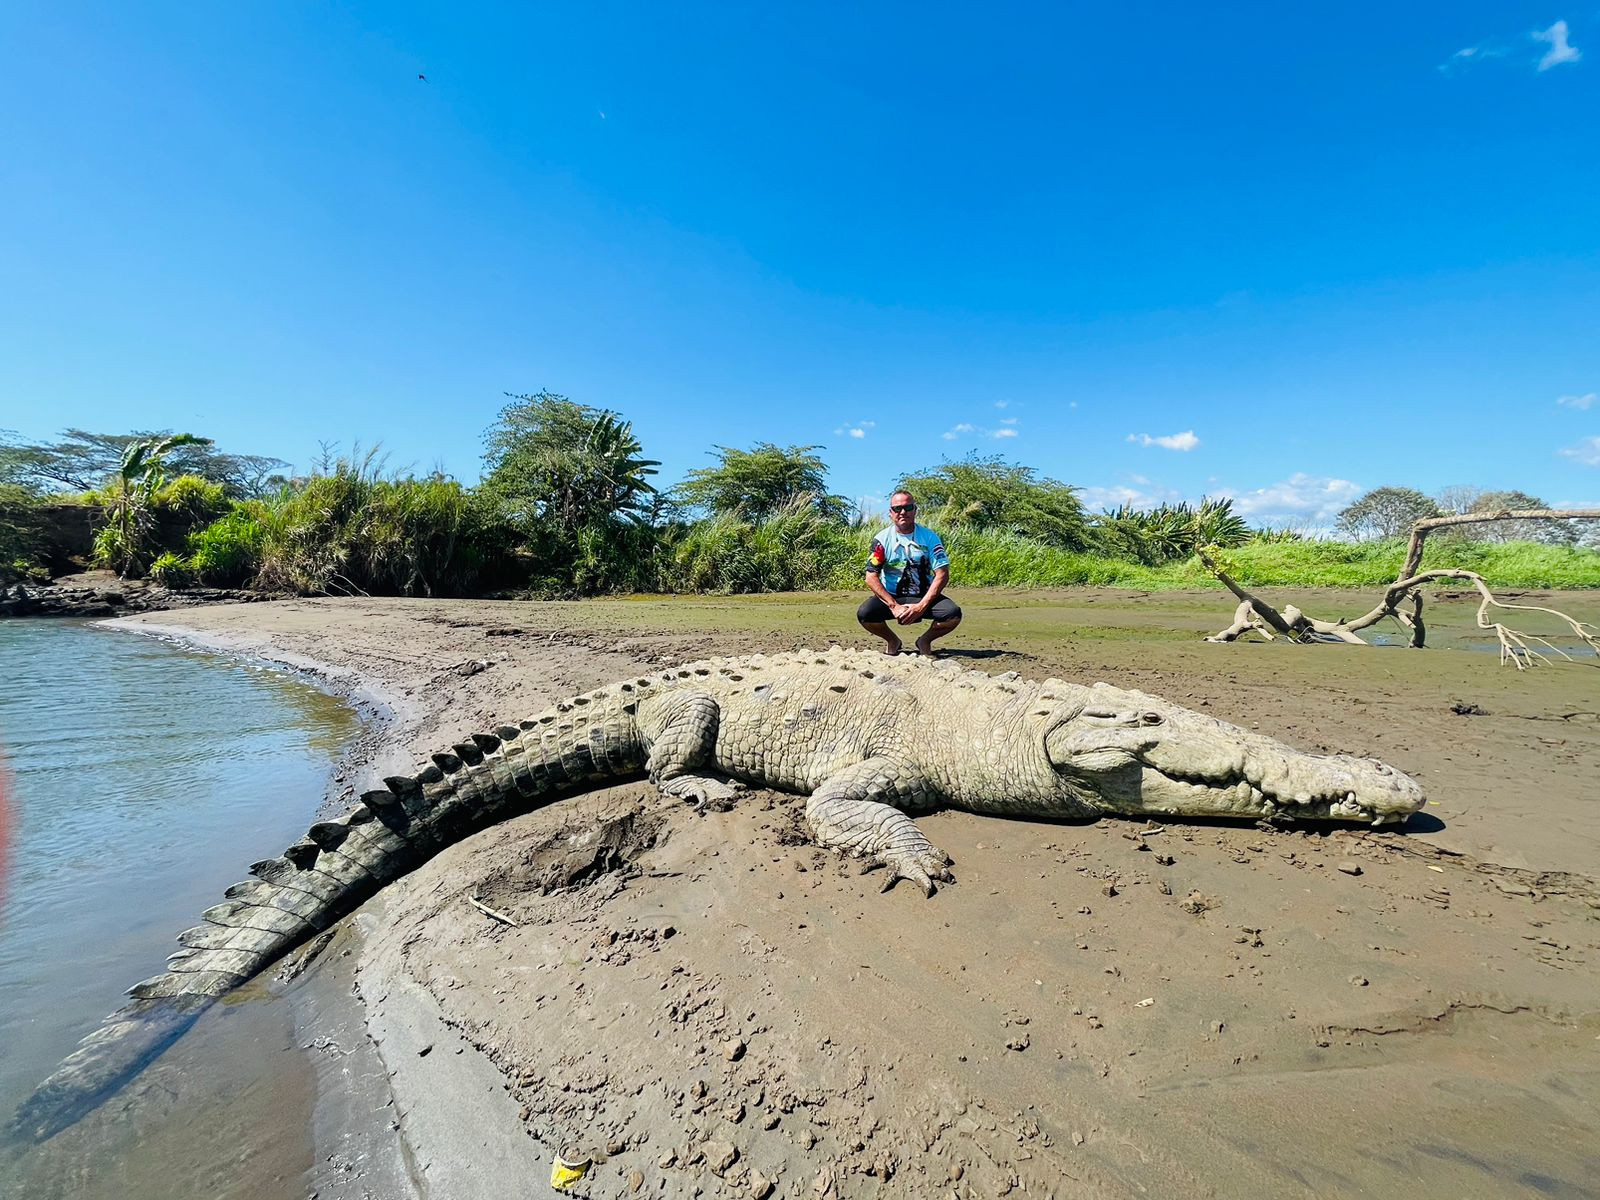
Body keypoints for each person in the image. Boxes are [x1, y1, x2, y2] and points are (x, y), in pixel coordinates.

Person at [857, 490, 963, 656]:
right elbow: (871, 577)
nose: (903, 512)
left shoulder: (930, 537)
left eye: (908, 507)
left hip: (923, 595)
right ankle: (892, 640)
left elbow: (942, 574)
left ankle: (924, 641)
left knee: (953, 614)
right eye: (897, 508)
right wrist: (893, 606)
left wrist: (921, 606)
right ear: (890, 512)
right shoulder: (881, 540)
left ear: (915, 510)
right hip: (892, 595)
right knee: (865, 614)